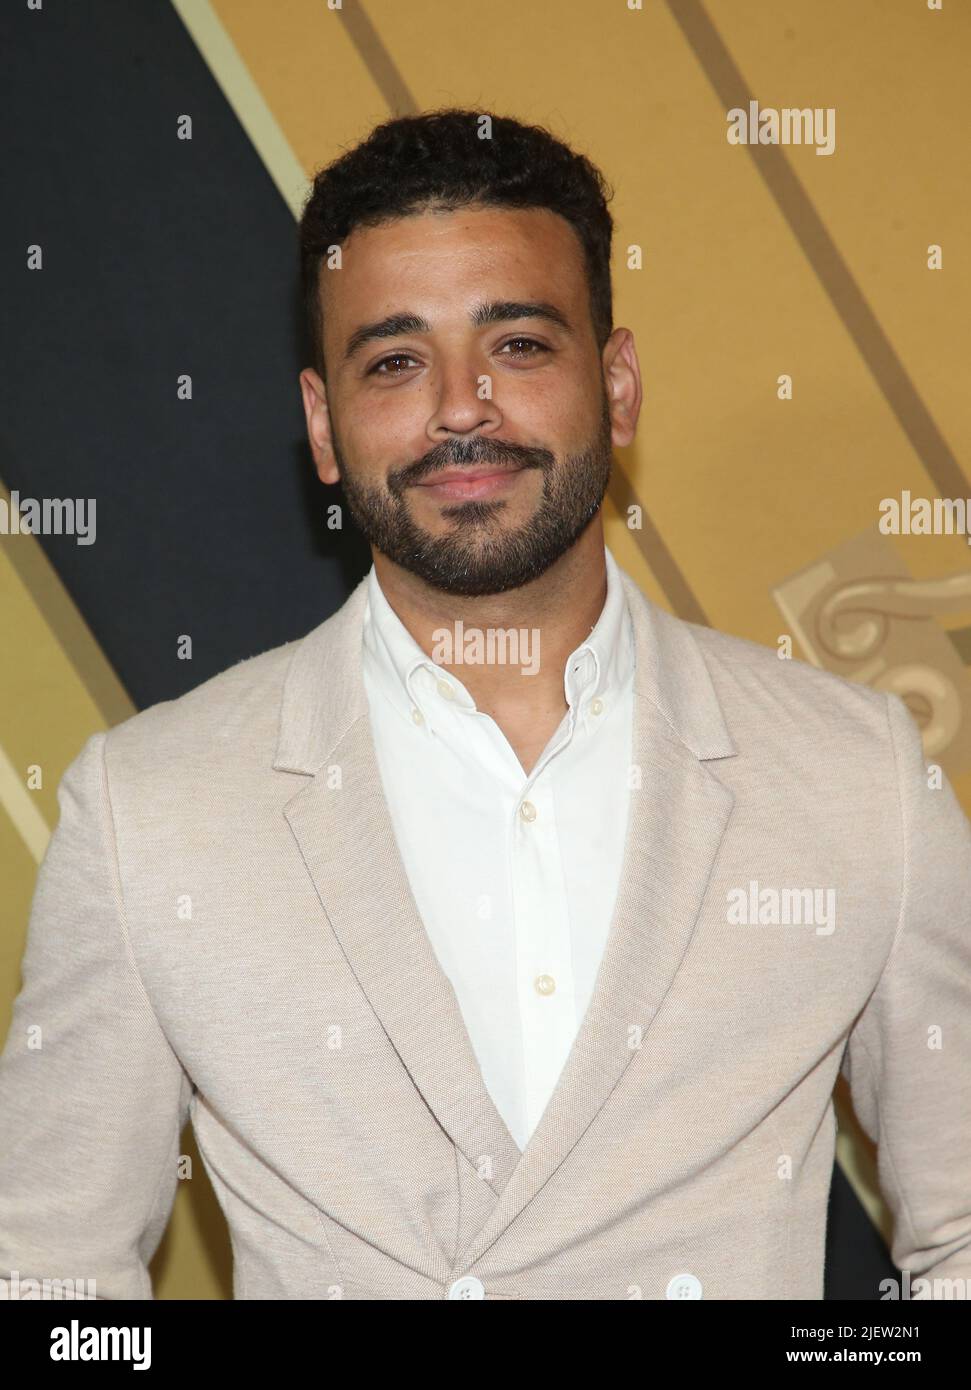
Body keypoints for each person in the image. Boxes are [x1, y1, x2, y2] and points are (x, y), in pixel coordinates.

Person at [1, 108, 969, 1302]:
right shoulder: (150, 808)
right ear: (321, 423)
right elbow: (45, 1276)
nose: (460, 408)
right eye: (395, 361)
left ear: (615, 387)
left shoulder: (853, 775)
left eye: (515, 344)